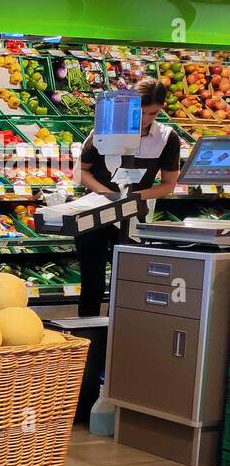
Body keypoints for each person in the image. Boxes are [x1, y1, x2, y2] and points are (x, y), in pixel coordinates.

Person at [73, 76, 181, 317]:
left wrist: (135, 197)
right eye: (139, 113)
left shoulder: (166, 138)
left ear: (160, 110)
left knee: (129, 282)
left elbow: (168, 184)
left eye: (151, 114)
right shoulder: (105, 129)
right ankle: (88, 343)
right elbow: (81, 171)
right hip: (96, 214)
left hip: (133, 217)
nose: (144, 120)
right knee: (93, 283)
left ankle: (123, 335)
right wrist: (108, 194)